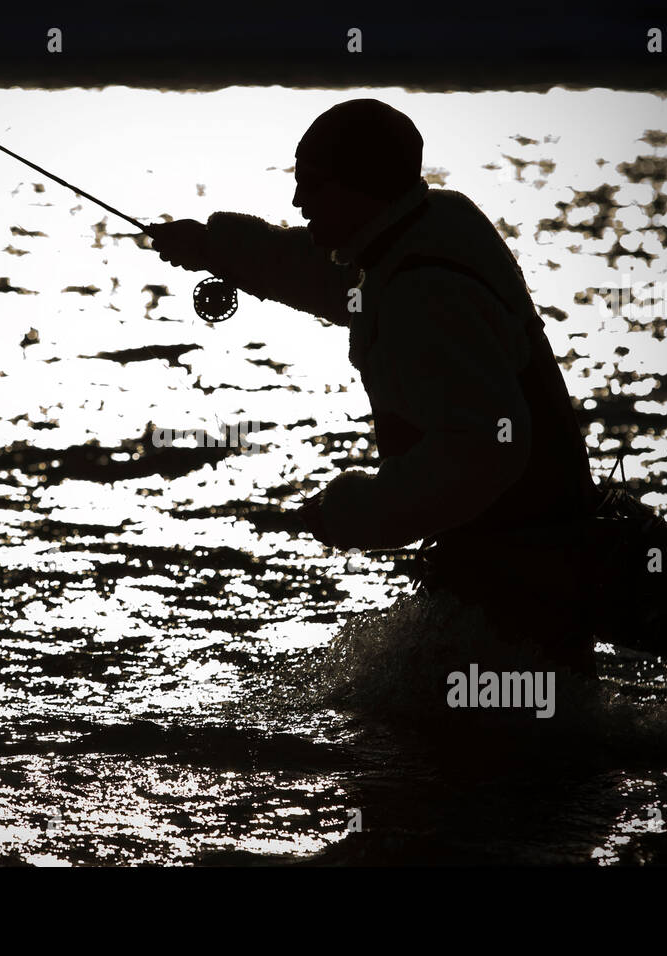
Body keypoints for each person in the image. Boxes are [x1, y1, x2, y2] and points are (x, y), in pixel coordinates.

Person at [145, 99, 602, 681]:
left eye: (311, 184)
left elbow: (483, 448)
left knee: (472, 754)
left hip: (519, 581)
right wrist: (215, 249)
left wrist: (352, 513)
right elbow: (334, 279)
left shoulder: (423, 291)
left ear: (358, 187)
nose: (297, 201)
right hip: (532, 561)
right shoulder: (432, 226)